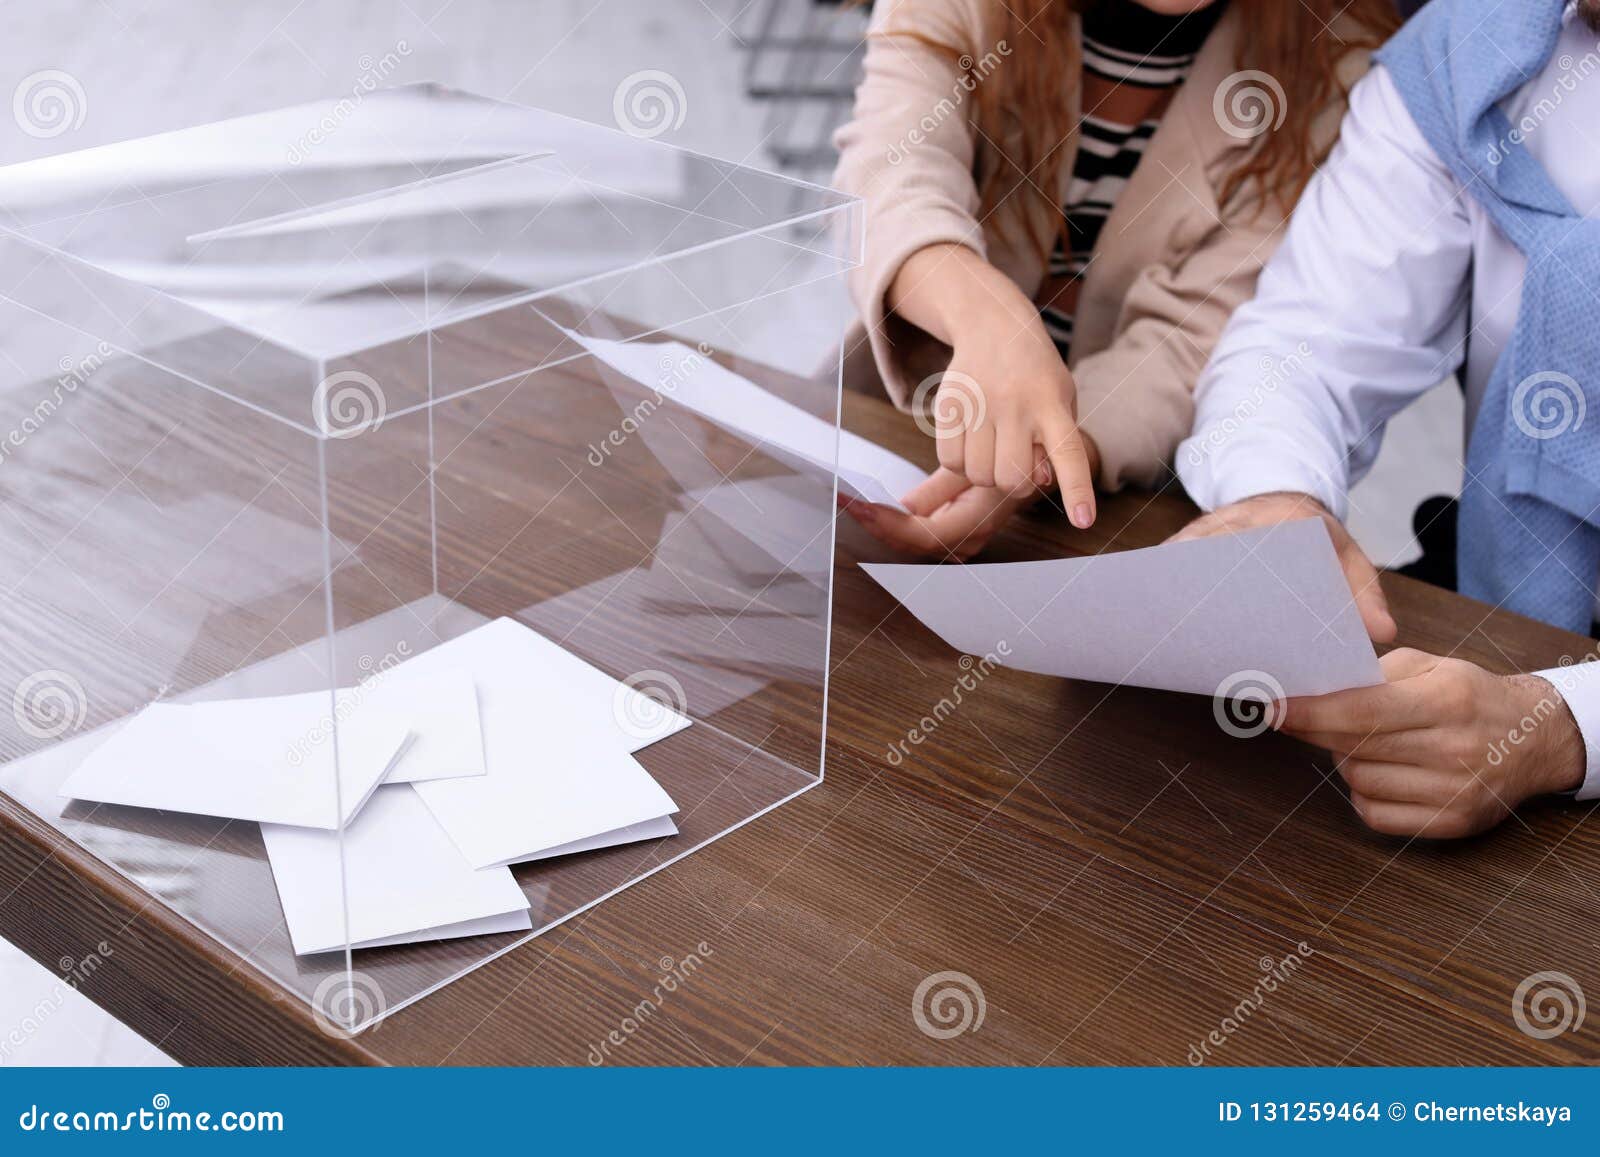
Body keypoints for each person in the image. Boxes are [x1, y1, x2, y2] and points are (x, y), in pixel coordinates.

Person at [1173, 0, 1600, 837]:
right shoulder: (1473, 47)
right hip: (1501, 616)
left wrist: (1563, 726)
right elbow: (1304, 343)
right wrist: (1277, 494)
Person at [831, 0, 1398, 558]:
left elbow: (1196, 331)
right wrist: (986, 317)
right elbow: (888, 174)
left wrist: (1053, 452)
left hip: (1111, 501)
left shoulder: (1333, 52)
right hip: (895, 428)